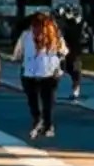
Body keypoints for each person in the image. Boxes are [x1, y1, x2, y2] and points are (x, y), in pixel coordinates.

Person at [14, 11, 68, 139]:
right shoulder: (28, 36)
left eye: (37, 26)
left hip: (45, 74)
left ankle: (45, 123)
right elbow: (18, 52)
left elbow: (64, 51)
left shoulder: (52, 37)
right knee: (39, 101)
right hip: (36, 73)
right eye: (34, 26)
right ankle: (41, 123)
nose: (36, 30)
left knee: (43, 101)